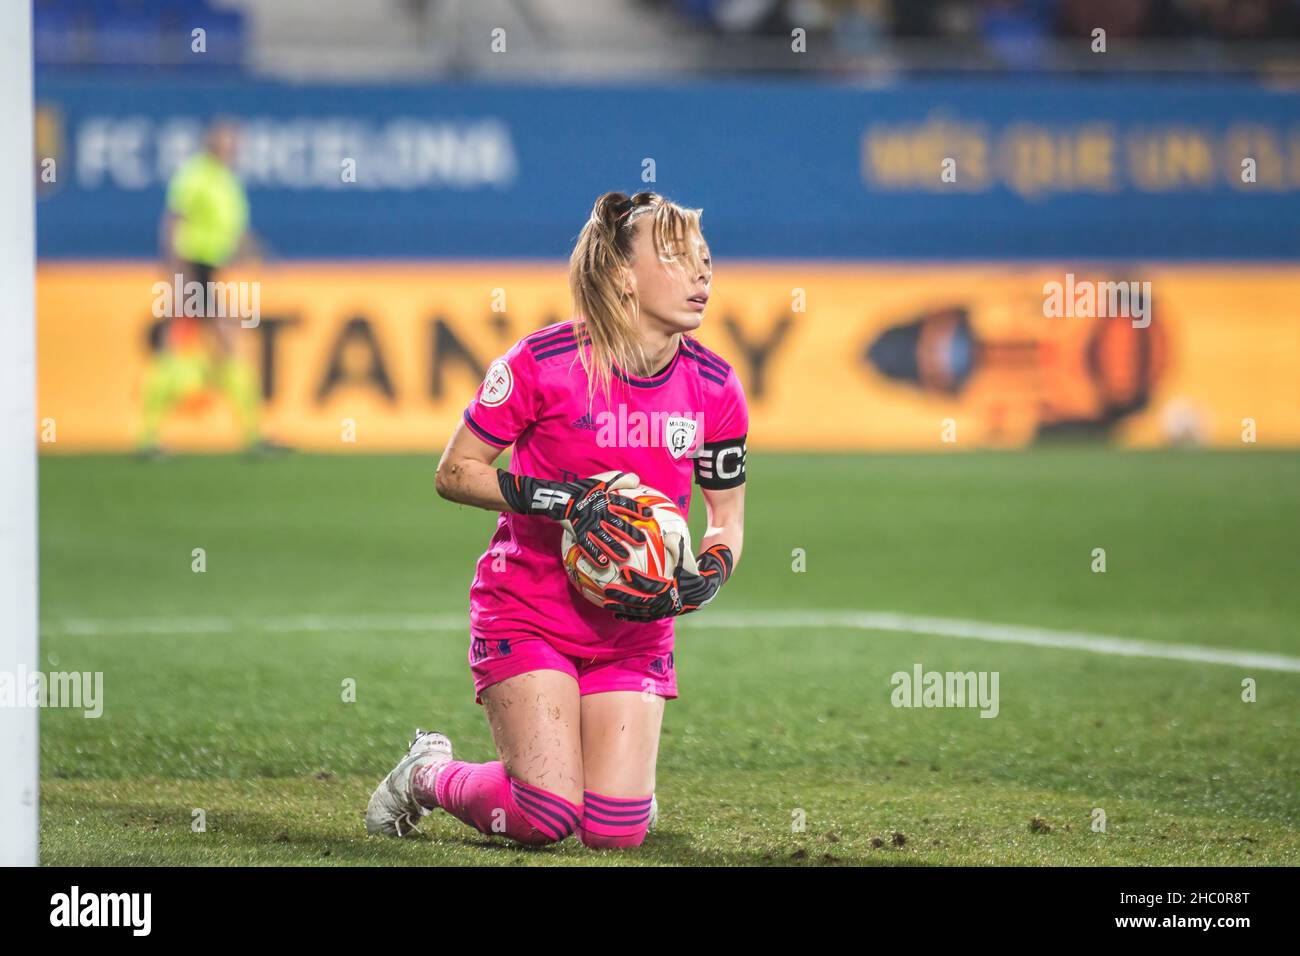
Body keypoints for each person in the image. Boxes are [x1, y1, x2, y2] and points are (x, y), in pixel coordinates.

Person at [366, 191, 749, 848]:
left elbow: (727, 519)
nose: (703, 274)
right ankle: (427, 772)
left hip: (634, 628)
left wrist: (708, 574)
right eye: (681, 259)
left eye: (706, 260)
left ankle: (611, 788)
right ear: (624, 277)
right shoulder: (542, 364)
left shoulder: (715, 387)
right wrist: (564, 500)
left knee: (613, 835)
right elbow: (454, 472)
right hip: (529, 609)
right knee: (545, 816)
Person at [139, 118, 273, 457]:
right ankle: (251, 435)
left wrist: (254, 250)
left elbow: (231, 229)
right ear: (214, 144)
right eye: (229, 142)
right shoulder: (195, 175)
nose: (234, 149)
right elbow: (173, 222)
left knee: (202, 346)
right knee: (201, 344)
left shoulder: (225, 181)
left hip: (208, 270)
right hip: (191, 267)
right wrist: (175, 273)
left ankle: (152, 436)